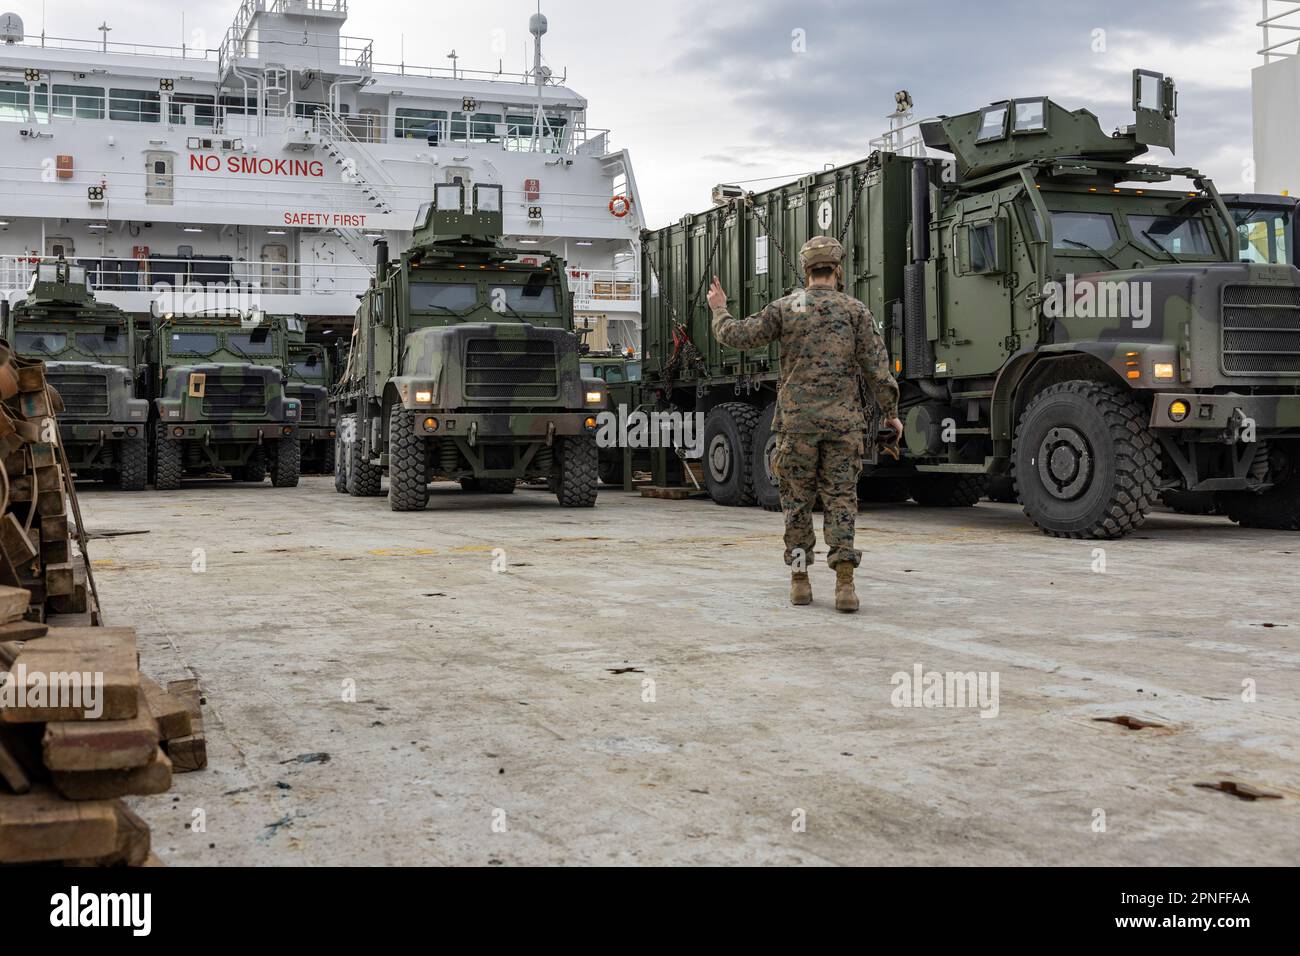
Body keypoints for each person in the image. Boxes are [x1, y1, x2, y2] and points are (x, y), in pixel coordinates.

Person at [706, 236, 902, 613]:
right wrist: (890, 410)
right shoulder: (854, 310)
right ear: (838, 269)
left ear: (805, 269)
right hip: (843, 427)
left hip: (796, 425)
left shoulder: (788, 306)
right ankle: (845, 587)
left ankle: (799, 581)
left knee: (796, 504)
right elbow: (877, 369)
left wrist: (720, 310)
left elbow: (736, 336)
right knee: (841, 502)